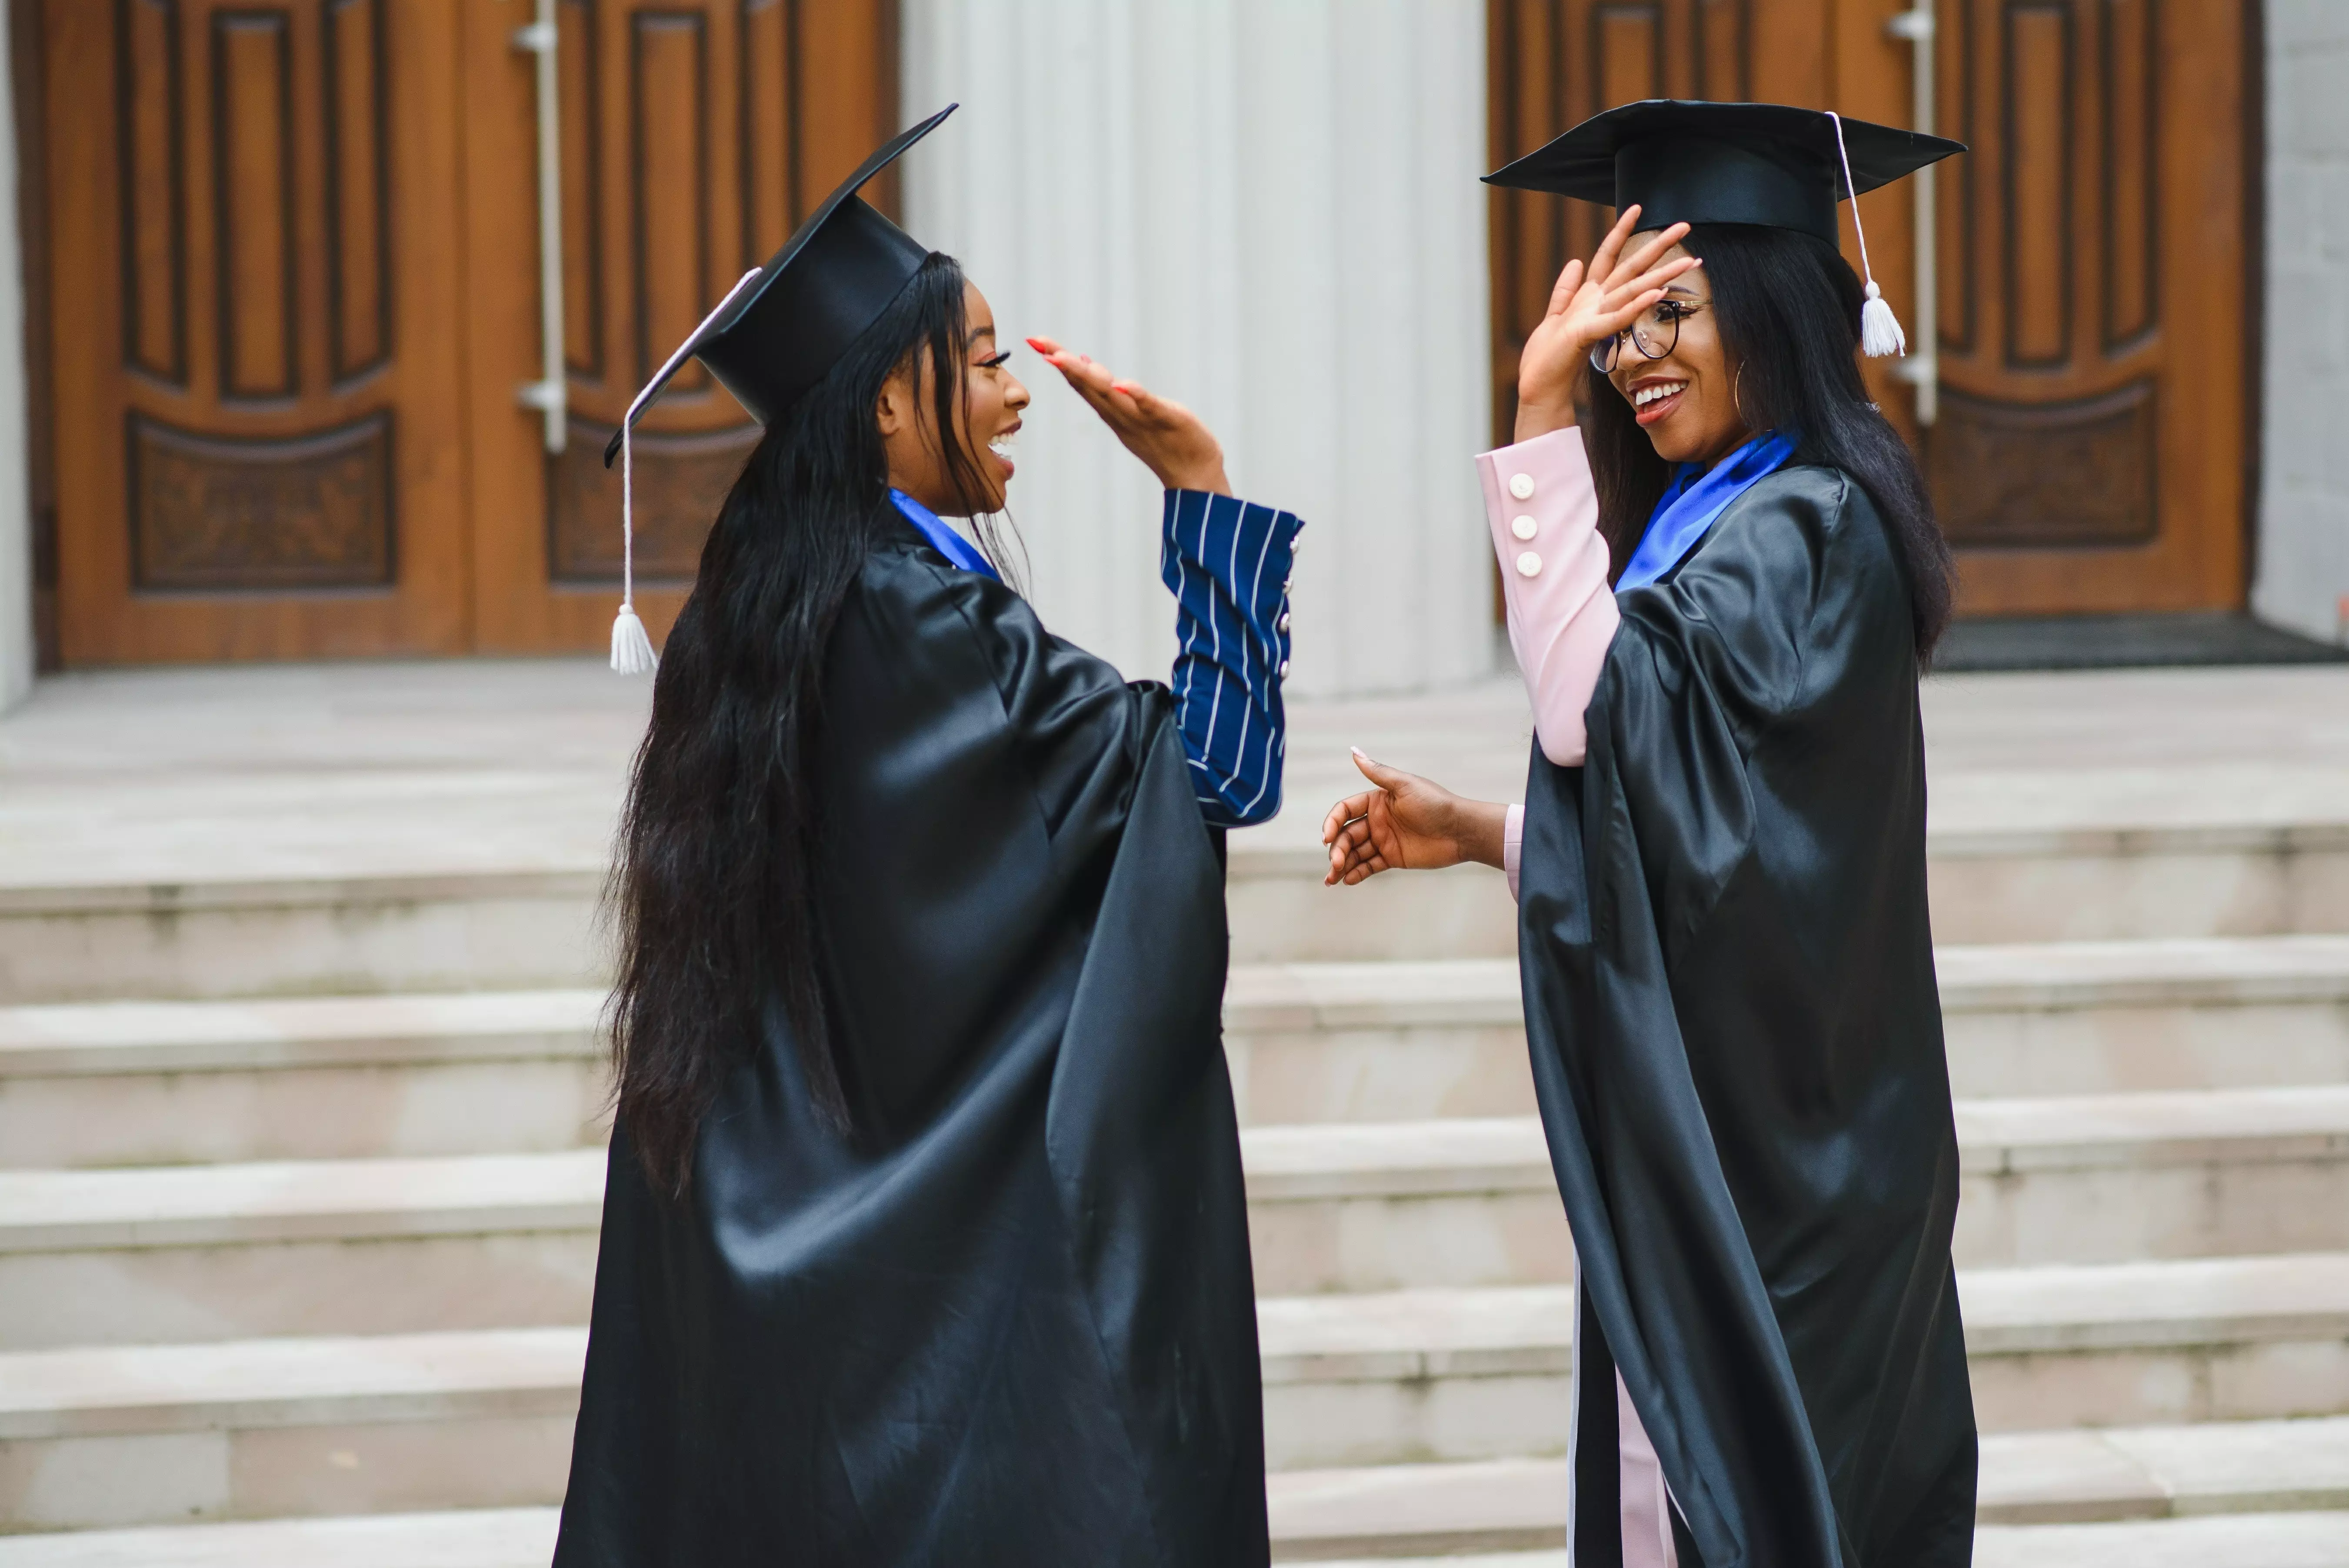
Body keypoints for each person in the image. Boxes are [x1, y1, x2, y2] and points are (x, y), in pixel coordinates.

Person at [554, 107, 1298, 1566]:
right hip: (913, 1272)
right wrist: (1203, 498)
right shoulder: (919, 621)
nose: (1014, 393)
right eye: (981, 360)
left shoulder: (770, 606)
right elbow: (1215, 769)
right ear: (892, 405)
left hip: (764, 1226)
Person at [1319, 101, 1974, 1567]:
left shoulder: (1801, 528)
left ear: (1776, 305)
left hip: (1786, 1170)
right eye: (1615, 328)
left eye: (1669, 311)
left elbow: (1592, 723)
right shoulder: (1727, 519)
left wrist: (1537, 417)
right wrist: (1485, 833)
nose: (1635, 357)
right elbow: (1703, 834)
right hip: (1753, 1142)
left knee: (1746, 1510)